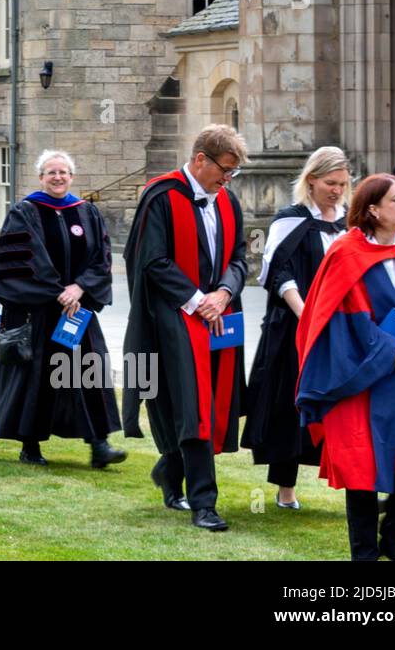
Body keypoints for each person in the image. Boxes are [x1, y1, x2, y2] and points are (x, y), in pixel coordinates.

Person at [297, 173, 395, 561]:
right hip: (360, 380)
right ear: (372, 209)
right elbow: (340, 319)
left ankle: (394, 536)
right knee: (362, 470)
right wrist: (390, 349)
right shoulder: (345, 253)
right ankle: (364, 552)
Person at [122, 124, 248, 532]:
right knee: (194, 407)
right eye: (224, 169)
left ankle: (168, 471)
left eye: (232, 173)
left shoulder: (227, 201)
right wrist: (198, 301)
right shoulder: (161, 196)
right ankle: (204, 504)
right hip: (174, 316)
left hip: (218, 316)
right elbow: (152, 261)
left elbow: (241, 257)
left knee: (206, 404)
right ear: (200, 160)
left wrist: (225, 293)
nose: (227, 179)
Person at [0, 150, 124, 468]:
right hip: (40, 309)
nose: (57, 177)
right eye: (51, 172)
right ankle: (31, 445)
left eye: (63, 172)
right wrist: (58, 292)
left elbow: (102, 258)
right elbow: (25, 259)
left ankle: (100, 445)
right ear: (41, 177)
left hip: (78, 311)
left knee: (90, 372)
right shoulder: (25, 212)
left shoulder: (87, 213)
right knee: (38, 376)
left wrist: (79, 288)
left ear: (71, 176)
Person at [243, 146, 349, 509]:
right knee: (292, 408)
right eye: (329, 183)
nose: (336, 190)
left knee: (347, 407)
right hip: (296, 330)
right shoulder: (291, 219)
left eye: (342, 183)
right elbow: (278, 273)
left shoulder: (349, 223)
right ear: (312, 180)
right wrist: (306, 314)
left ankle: (359, 484)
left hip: (343, 330)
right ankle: (285, 488)